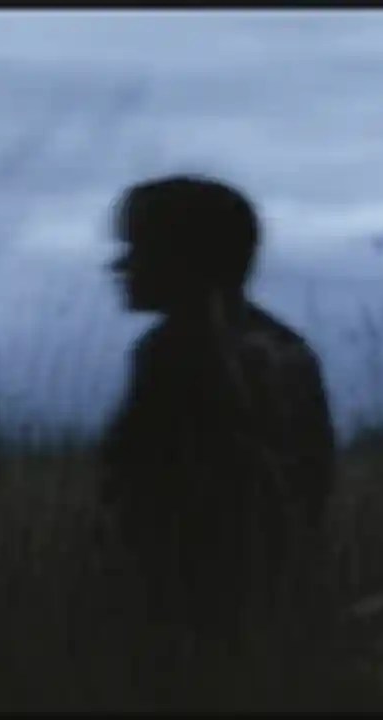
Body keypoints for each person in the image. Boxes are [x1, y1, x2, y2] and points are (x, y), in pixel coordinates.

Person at [100, 175, 336, 670]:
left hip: (191, 619)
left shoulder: (174, 352)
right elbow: (315, 482)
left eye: (137, 248)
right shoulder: (287, 347)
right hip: (278, 605)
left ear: (184, 258)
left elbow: (138, 496)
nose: (119, 265)